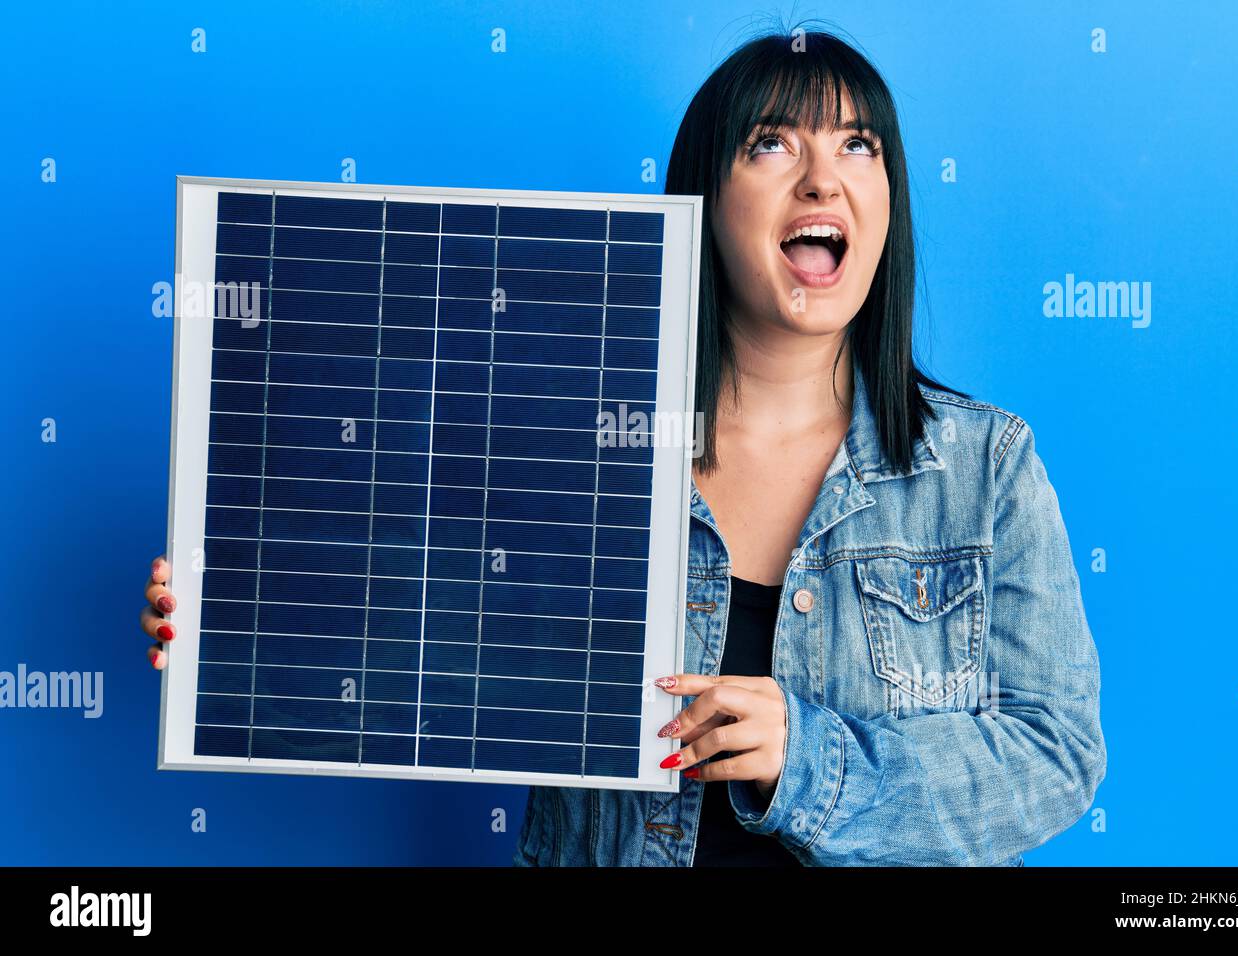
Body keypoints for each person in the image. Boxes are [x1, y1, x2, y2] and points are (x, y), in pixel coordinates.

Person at [140, 26, 1106, 867]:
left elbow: (1057, 759)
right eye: (772, 143)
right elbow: (423, 636)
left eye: (859, 145)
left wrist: (805, 759)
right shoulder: (572, 446)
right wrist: (242, 616)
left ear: (889, 203)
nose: (823, 176)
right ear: (704, 203)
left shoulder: (986, 469)